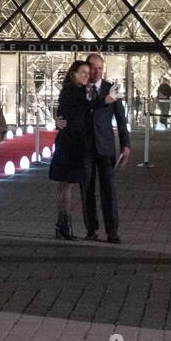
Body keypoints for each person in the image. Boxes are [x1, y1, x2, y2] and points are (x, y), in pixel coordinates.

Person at [82, 53, 130, 244]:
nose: (97, 72)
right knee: (87, 190)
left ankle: (112, 230)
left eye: (100, 68)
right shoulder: (80, 88)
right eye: (94, 68)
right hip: (85, 147)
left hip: (105, 147)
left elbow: (121, 119)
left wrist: (126, 145)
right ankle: (91, 229)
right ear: (88, 68)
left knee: (108, 190)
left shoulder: (112, 89)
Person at [51, 60, 93, 241]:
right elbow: (84, 109)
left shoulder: (70, 90)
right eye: (83, 72)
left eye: (88, 73)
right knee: (67, 185)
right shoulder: (74, 91)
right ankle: (64, 225)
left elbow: (62, 113)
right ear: (73, 73)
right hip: (72, 143)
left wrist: (58, 120)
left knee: (65, 185)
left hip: (68, 141)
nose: (86, 75)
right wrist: (105, 100)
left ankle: (62, 224)